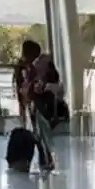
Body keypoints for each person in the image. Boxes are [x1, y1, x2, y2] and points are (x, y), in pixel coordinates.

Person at [17, 39, 63, 173]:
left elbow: (34, 85)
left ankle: (46, 160)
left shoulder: (37, 66)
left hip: (39, 104)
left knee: (41, 133)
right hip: (37, 103)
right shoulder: (38, 65)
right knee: (40, 133)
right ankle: (45, 160)